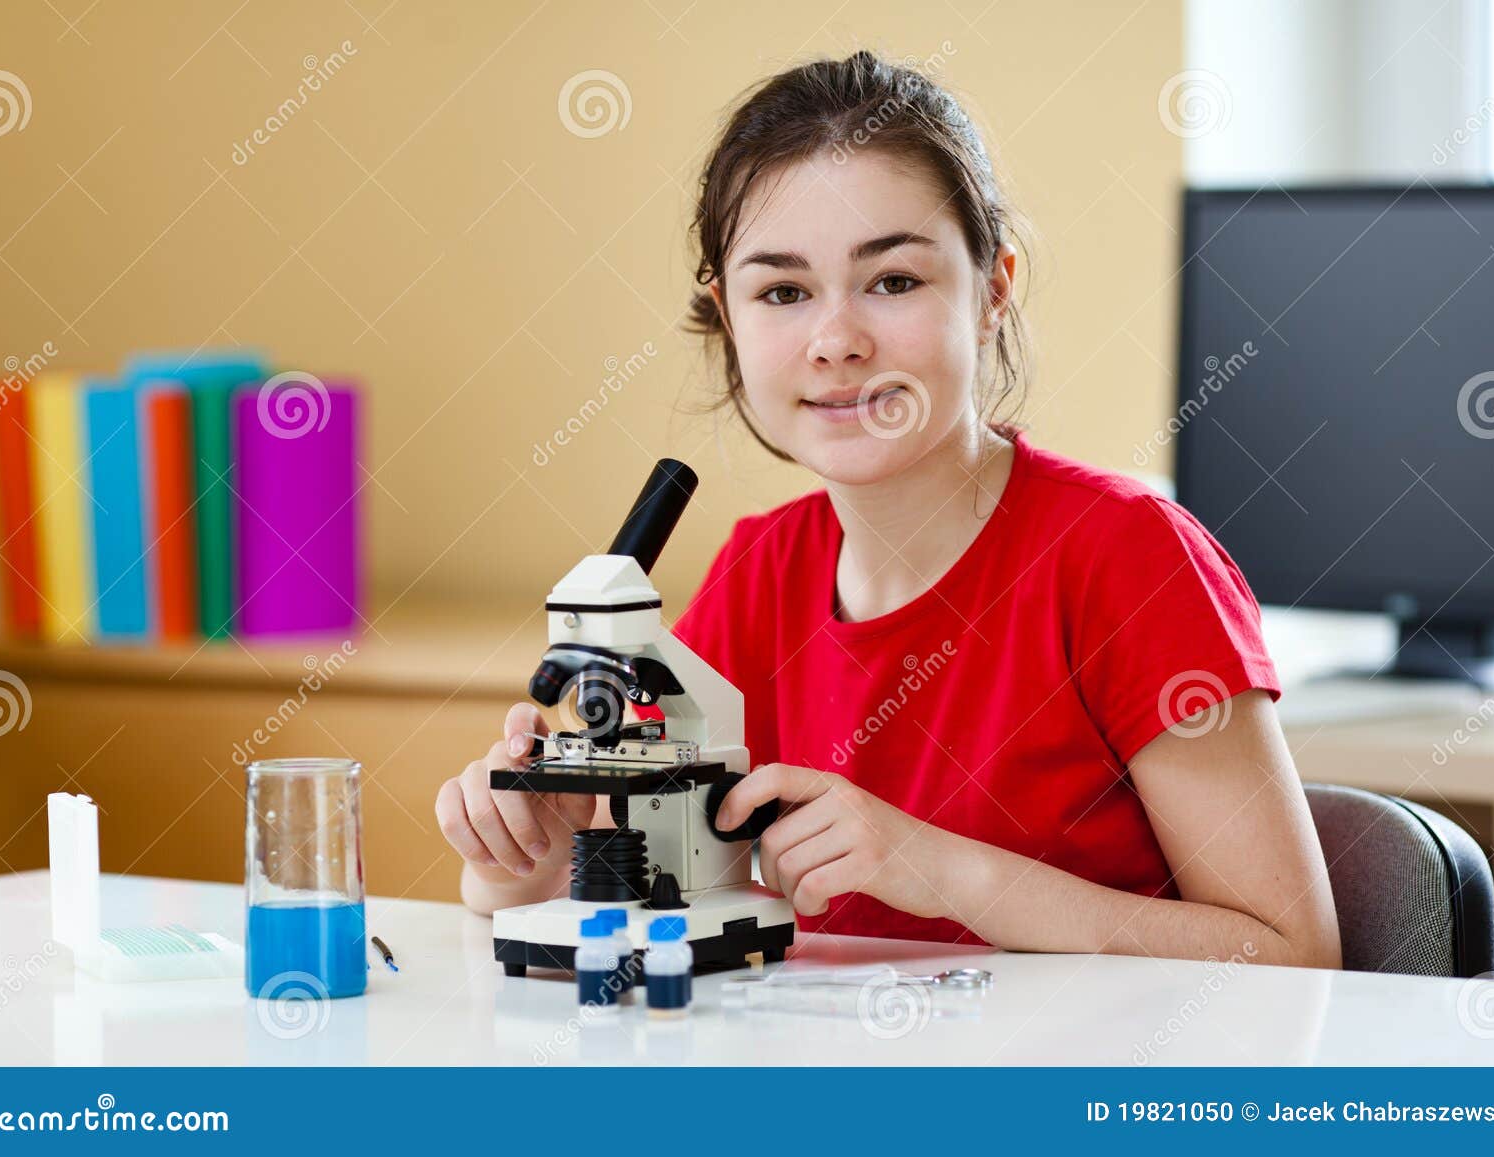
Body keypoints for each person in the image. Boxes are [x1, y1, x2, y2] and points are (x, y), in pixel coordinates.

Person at [435, 51, 1341, 968]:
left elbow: (1297, 956)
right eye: (783, 292)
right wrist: (527, 852)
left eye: (894, 280)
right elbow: (555, 904)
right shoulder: (759, 571)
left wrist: (939, 868)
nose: (836, 341)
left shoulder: (1130, 558)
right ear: (728, 314)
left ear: (993, 291)